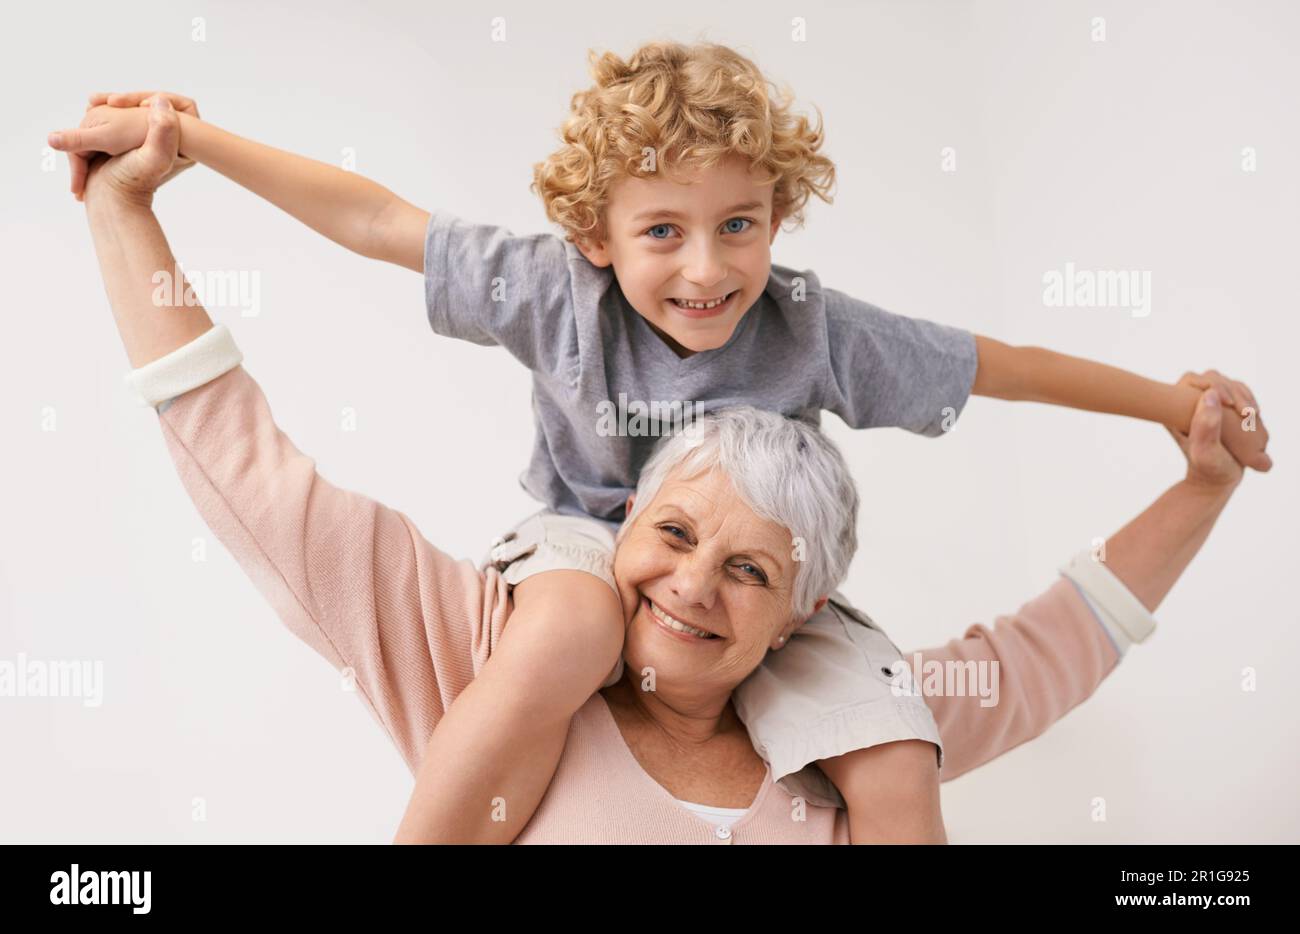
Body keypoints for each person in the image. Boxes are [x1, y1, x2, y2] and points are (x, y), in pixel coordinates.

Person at [56, 48, 1269, 842]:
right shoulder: (549, 306)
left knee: (898, 738)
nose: (706, 271)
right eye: (662, 234)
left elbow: (998, 371)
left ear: (778, 220)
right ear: (593, 235)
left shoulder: (812, 343)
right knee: (578, 621)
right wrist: (182, 149)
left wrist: (1173, 413)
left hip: (784, 545)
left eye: (739, 226)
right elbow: (373, 226)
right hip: (576, 544)